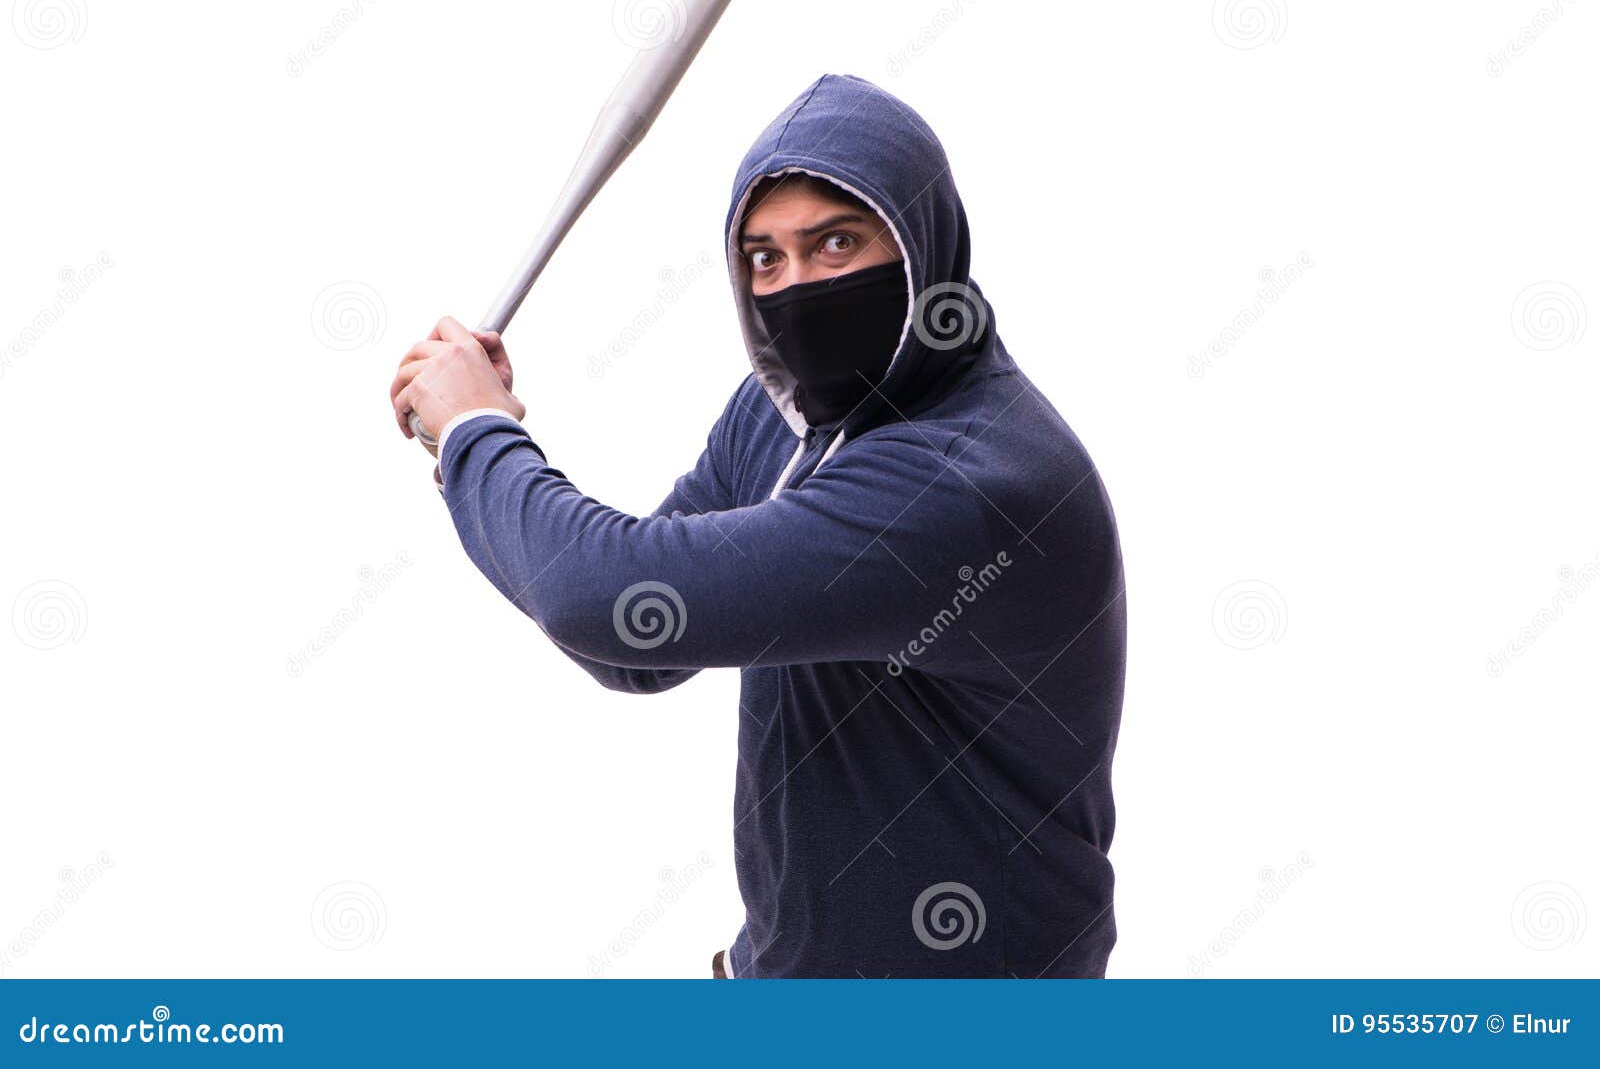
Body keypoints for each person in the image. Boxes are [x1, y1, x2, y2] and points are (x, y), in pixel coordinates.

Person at [389, 74, 1127, 978]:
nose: (796, 286)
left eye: (837, 244)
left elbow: (609, 600)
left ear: (924, 243)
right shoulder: (787, 416)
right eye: (765, 258)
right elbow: (640, 650)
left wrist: (475, 433)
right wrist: (474, 439)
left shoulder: (970, 480)